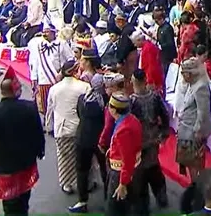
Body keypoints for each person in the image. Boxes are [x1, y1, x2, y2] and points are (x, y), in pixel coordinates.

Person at [0, 68, 45, 215]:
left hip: (4, 166)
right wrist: (39, 151)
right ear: (16, 91)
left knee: (9, 202)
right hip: (26, 162)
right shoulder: (29, 108)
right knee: (24, 196)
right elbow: (38, 134)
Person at [46, 60, 89, 194]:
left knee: (64, 158)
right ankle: (86, 182)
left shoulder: (54, 89)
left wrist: (49, 126)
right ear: (75, 71)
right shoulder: (85, 87)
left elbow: (50, 110)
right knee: (85, 157)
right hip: (81, 128)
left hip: (62, 128)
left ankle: (67, 183)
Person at [130, 69, 170, 209]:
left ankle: (143, 204)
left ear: (134, 81)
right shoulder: (155, 96)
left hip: (139, 141)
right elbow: (165, 115)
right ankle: (161, 196)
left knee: (140, 172)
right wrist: (164, 133)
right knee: (153, 166)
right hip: (153, 137)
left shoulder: (132, 101)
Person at [69, 74, 108, 214]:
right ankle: (109, 199)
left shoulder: (82, 99)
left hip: (83, 138)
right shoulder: (106, 100)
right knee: (106, 170)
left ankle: (82, 201)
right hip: (101, 140)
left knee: (82, 170)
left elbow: (79, 114)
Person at [104, 93, 144, 216]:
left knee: (115, 209)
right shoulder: (132, 120)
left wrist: (122, 183)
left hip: (120, 173)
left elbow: (127, 158)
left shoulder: (123, 131)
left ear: (114, 110)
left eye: (110, 106)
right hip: (133, 170)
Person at [176, 58, 211, 180]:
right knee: (188, 161)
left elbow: (203, 112)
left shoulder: (201, 87)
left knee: (195, 162)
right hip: (186, 128)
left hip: (193, 132)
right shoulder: (192, 83)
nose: (183, 76)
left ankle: (197, 185)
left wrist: (198, 131)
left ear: (191, 73)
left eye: (184, 73)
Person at [28, 23, 63, 120]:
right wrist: (34, 78)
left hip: (57, 79)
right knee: (44, 104)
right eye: (43, 32)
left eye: (47, 32)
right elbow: (34, 62)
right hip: (43, 80)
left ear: (53, 33)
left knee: (57, 104)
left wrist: (62, 73)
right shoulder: (38, 45)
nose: (44, 34)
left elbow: (69, 59)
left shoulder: (61, 44)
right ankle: (47, 121)